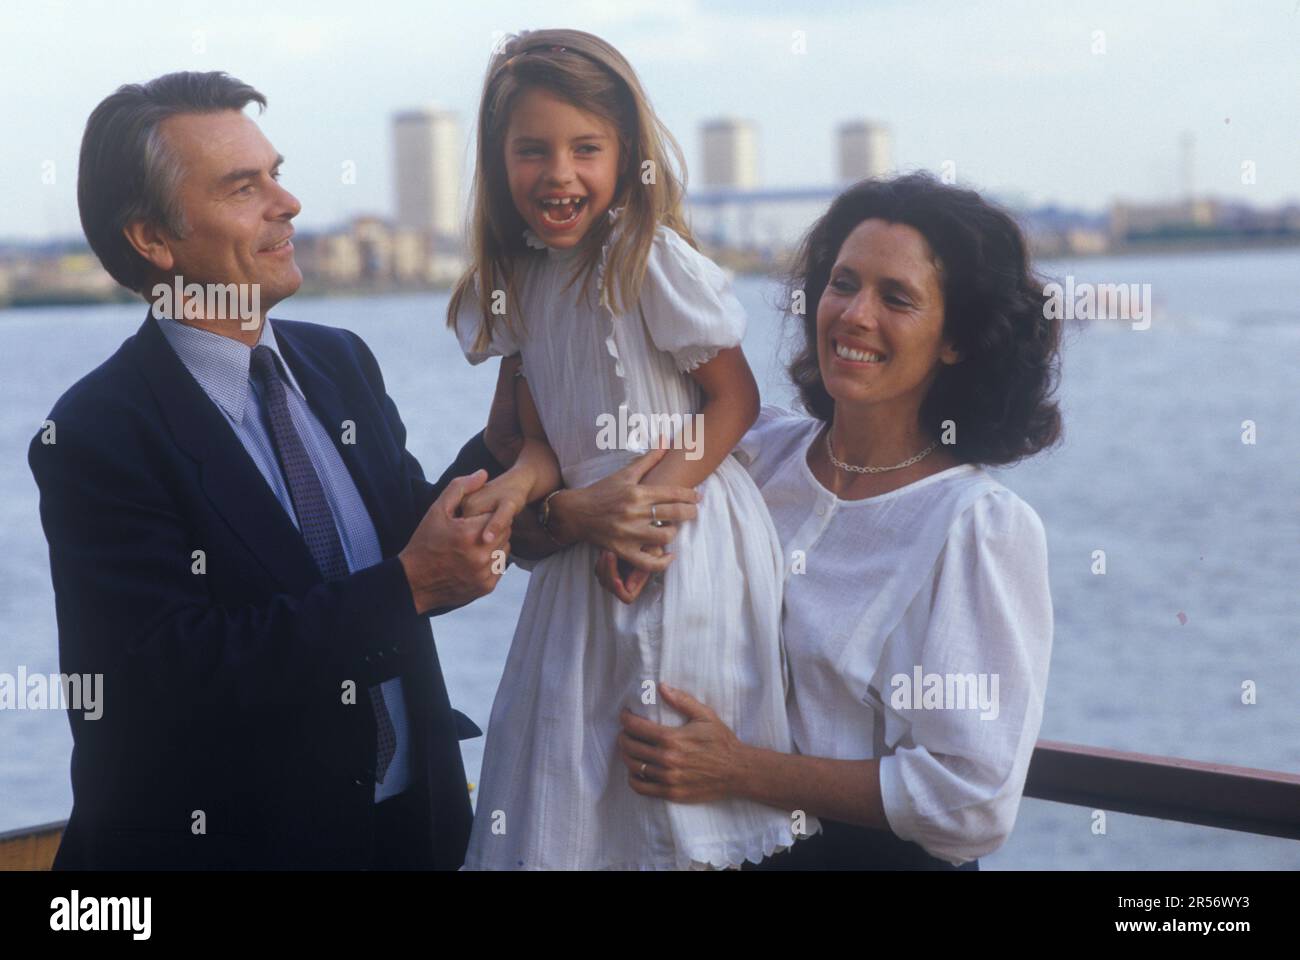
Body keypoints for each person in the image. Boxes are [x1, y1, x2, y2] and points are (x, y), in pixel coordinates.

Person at [503, 173, 1062, 869]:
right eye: (843, 283)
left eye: (897, 298)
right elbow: (535, 534)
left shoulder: (976, 528)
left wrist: (741, 771)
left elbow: (971, 800)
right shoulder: (746, 455)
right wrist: (570, 515)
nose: (854, 315)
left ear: (956, 339)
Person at [28, 71, 511, 870]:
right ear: (153, 239)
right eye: (244, 186)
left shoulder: (339, 361)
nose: (286, 203)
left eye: (276, 174)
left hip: (411, 840)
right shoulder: (94, 433)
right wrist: (410, 587)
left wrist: (501, 449)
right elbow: (167, 676)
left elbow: (406, 540)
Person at [448, 29, 806, 869]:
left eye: (585, 149)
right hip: (585, 547)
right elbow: (542, 441)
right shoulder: (523, 280)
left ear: (627, 156)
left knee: (659, 770)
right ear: (499, 162)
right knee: (567, 765)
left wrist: (647, 511)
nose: (558, 173)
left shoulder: (645, 259)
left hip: (676, 530)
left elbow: (736, 400)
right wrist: (515, 489)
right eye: (531, 150)